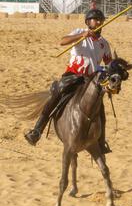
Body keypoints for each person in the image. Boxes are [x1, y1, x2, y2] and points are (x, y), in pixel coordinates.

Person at [25, 9, 113, 154]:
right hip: (73, 75)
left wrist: (111, 69)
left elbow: (109, 63)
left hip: (91, 81)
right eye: (94, 19)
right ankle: (37, 131)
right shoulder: (79, 32)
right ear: (87, 22)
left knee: (100, 108)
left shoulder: (104, 43)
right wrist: (82, 35)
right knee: (57, 93)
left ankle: (101, 142)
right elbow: (62, 41)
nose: (97, 22)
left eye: (100, 20)